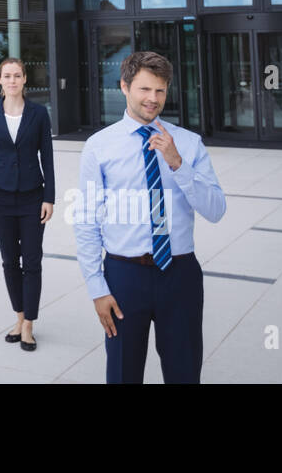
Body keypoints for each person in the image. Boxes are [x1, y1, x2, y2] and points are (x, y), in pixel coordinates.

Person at [73, 50, 226, 384]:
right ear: (124, 87)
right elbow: (85, 220)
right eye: (144, 89)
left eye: (160, 90)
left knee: (184, 373)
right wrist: (96, 288)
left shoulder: (188, 143)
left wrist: (177, 164)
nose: (153, 99)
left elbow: (216, 210)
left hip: (180, 274)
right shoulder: (100, 146)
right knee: (123, 374)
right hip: (124, 276)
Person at [0, 57, 54, 352]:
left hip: (33, 197)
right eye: (7, 76)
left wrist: (50, 197)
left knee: (32, 262)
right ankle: (19, 318)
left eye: (17, 75)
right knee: (10, 261)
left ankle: (29, 325)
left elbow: (47, 156)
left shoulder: (38, 114)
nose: (12, 80)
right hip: (0, 197)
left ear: (24, 80)